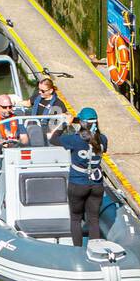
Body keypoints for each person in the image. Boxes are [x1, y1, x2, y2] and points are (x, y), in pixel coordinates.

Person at [51, 106, 109, 248]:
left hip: (78, 184)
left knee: (76, 219)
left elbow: (53, 139)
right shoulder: (103, 139)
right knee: (94, 219)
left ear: (81, 123)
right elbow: (98, 145)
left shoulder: (74, 140)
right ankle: (95, 250)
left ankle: (78, 251)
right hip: (97, 184)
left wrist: (66, 123)